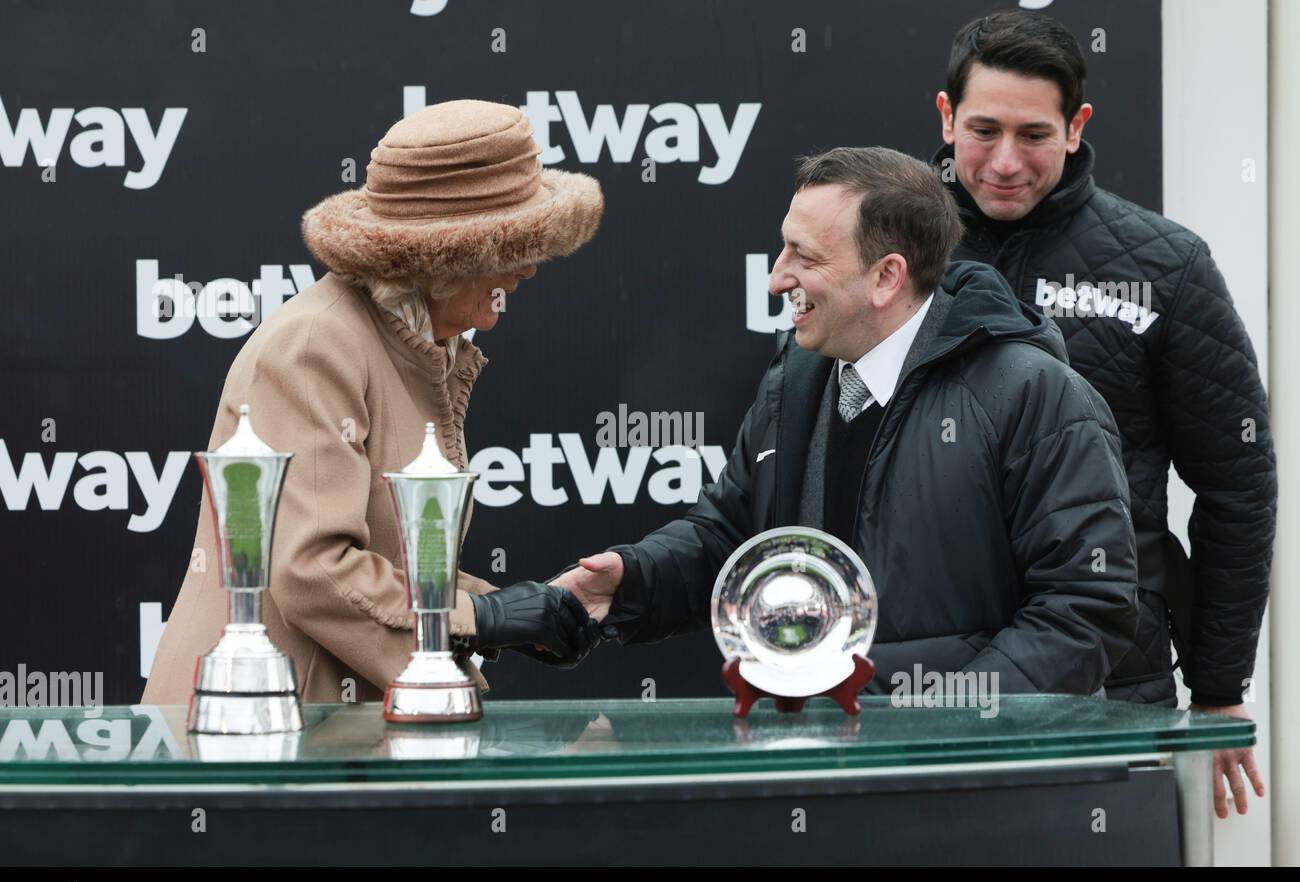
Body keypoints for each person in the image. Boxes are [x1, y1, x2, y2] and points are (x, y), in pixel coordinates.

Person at [554, 146, 1138, 696]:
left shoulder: (1034, 395)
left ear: (887, 276)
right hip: (816, 765)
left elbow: (1082, 613)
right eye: (784, 249)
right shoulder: (794, 381)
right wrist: (631, 582)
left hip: (964, 787)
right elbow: (732, 542)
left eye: (804, 256)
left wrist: (943, 720)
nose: (776, 277)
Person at [143, 100, 604, 705]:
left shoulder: (406, 342)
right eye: (515, 247)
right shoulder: (316, 345)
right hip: (264, 736)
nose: (530, 270)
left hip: (322, 731)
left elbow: (380, 561)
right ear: (450, 255)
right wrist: (481, 618)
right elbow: (314, 571)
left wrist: (511, 607)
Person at [932, 10, 1275, 814]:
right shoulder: (886, 254)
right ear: (945, 117)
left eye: (1035, 134)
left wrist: (1220, 688)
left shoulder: (1166, 265)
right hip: (916, 686)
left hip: (1112, 686)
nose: (1006, 162)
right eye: (982, 130)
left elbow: (1239, 484)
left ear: (1077, 127)